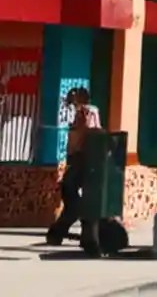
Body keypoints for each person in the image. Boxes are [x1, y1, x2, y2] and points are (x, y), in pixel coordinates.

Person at [46, 87, 101, 246]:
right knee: (73, 201)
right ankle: (60, 233)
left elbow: (90, 131)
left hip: (83, 158)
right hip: (78, 159)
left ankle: (60, 233)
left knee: (76, 201)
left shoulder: (88, 112)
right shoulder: (79, 114)